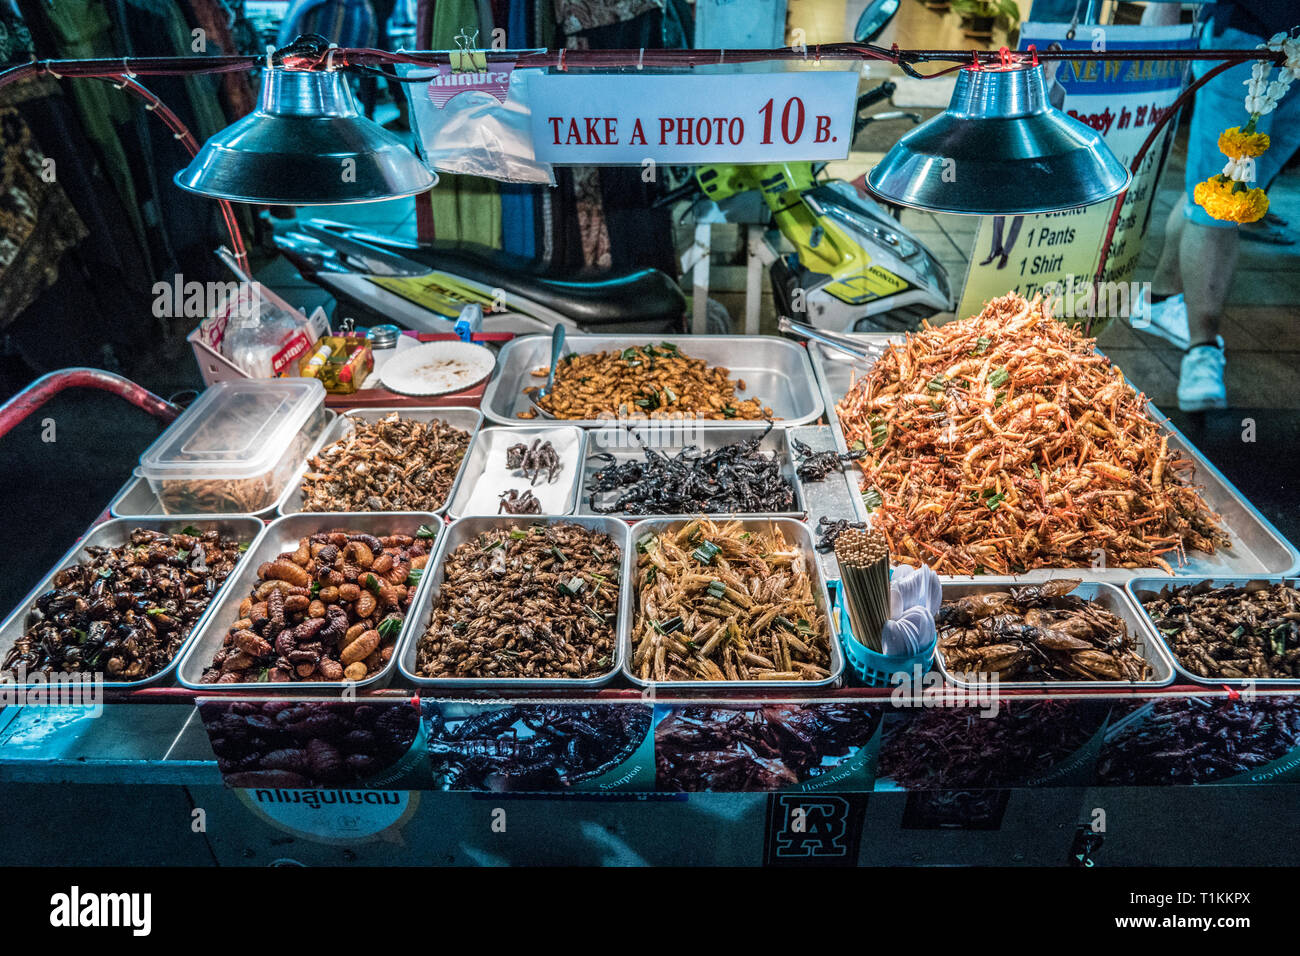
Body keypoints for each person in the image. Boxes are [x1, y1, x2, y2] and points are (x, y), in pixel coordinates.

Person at [1141, 3, 1300, 411]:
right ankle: (1203, 349)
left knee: (1223, 188)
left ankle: (1158, 300)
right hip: (1249, 31)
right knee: (1224, 202)